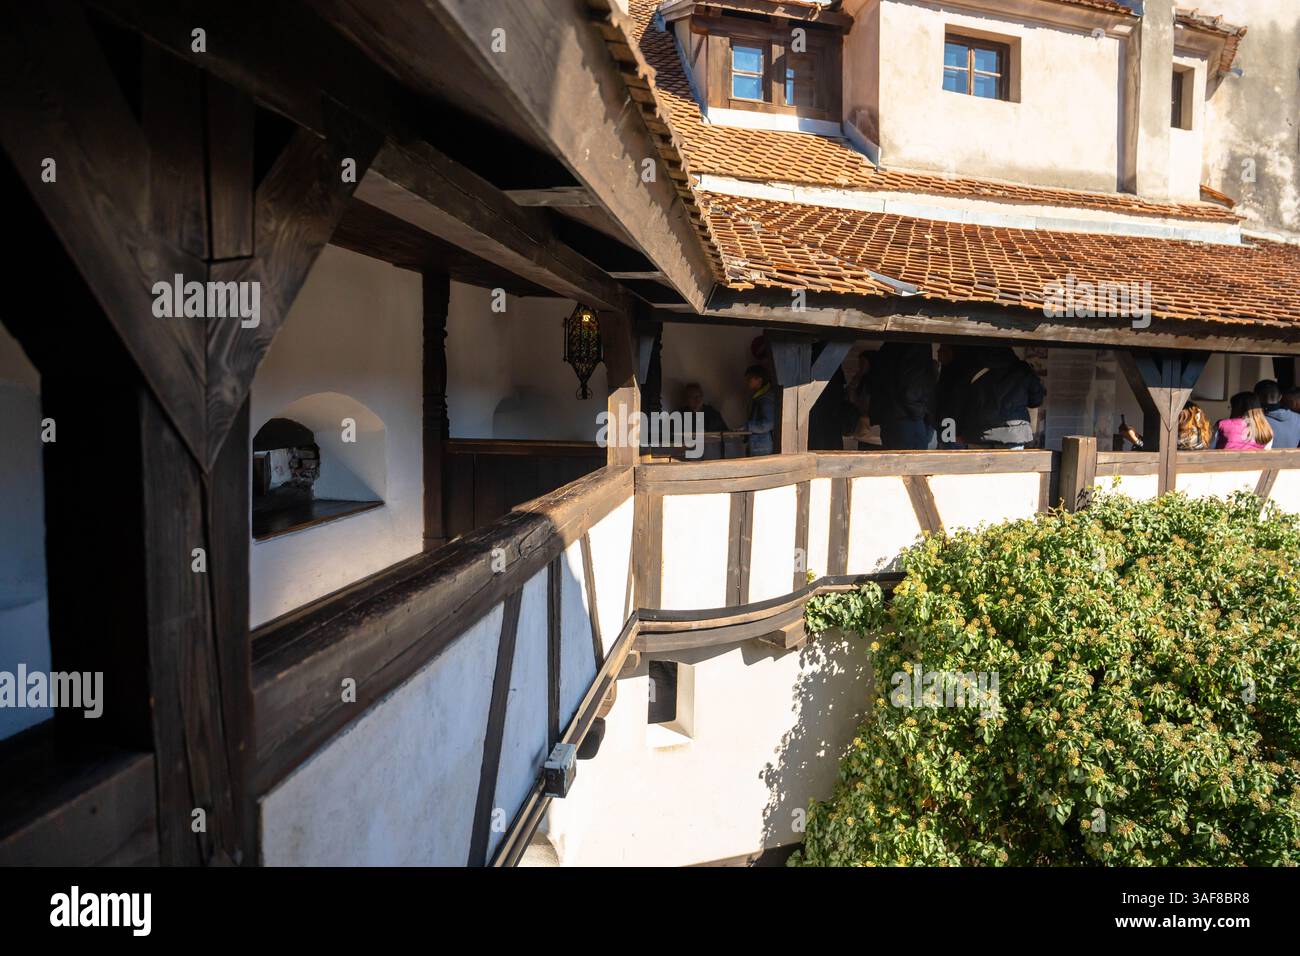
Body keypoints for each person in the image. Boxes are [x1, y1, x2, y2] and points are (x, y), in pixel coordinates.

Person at [961, 347, 1045, 449]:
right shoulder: (1023, 369)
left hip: (978, 432)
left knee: (978, 465)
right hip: (1013, 433)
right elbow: (1036, 400)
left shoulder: (976, 368)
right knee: (1011, 465)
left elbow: (963, 401)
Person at [862, 343, 937, 450]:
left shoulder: (888, 346)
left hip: (891, 415)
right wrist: (919, 412)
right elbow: (911, 386)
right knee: (914, 463)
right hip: (907, 416)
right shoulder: (916, 344)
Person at [1256, 379, 1300, 449]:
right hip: (1292, 459)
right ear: (1280, 397)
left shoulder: (1252, 420)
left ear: (1256, 397)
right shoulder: (1298, 419)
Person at [743, 365, 776, 456]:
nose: (747, 382)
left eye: (750, 378)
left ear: (759, 380)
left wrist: (747, 427)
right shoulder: (760, 398)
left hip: (762, 447)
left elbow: (768, 424)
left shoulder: (765, 400)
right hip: (760, 446)